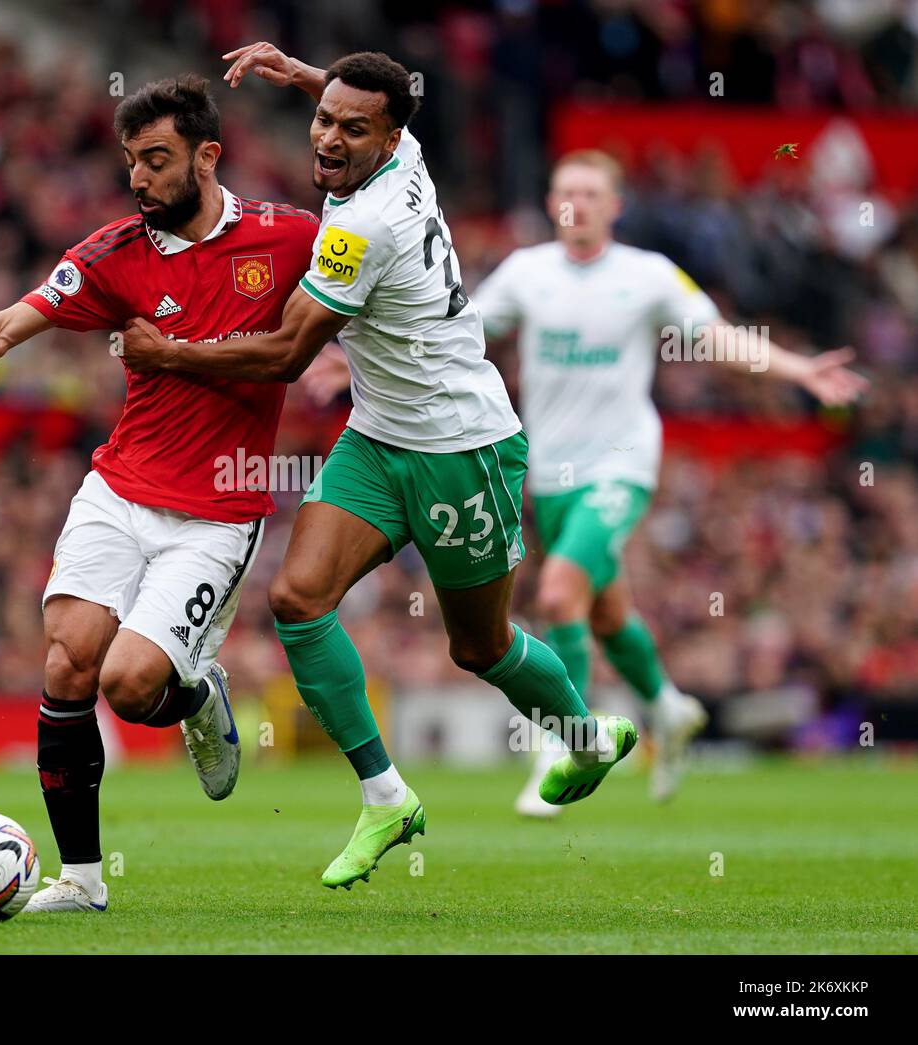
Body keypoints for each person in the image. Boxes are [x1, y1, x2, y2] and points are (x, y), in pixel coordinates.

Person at [123, 45, 636, 890]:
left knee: (480, 646)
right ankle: (386, 795)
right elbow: (355, 100)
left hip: (461, 449)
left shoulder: (365, 225)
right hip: (378, 437)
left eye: (349, 129)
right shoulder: (404, 150)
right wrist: (300, 73)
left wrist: (169, 350)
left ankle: (584, 736)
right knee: (297, 599)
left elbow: (288, 351)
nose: (327, 139)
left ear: (388, 136)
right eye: (324, 120)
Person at [0, 75, 318, 911]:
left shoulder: (291, 238)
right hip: (120, 487)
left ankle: (196, 695)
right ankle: (84, 881)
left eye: (156, 160)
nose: (138, 177)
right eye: (132, 159)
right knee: (67, 661)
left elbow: (348, 300)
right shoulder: (114, 251)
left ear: (208, 157)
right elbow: (25, 315)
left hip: (216, 511)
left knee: (132, 687)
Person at [473, 150, 869, 815]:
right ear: (550, 203)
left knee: (559, 593)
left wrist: (798, 369)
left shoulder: (647, 276)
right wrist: (363, 364)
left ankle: (566, 744)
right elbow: (459, 335)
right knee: (606, 611)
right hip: (550, 473)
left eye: (592, 192)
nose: (577, 203)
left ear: (615, 206)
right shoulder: (526, 274)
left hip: (622, 463)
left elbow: (715, 337)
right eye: (565, 191)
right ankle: (667, 705)